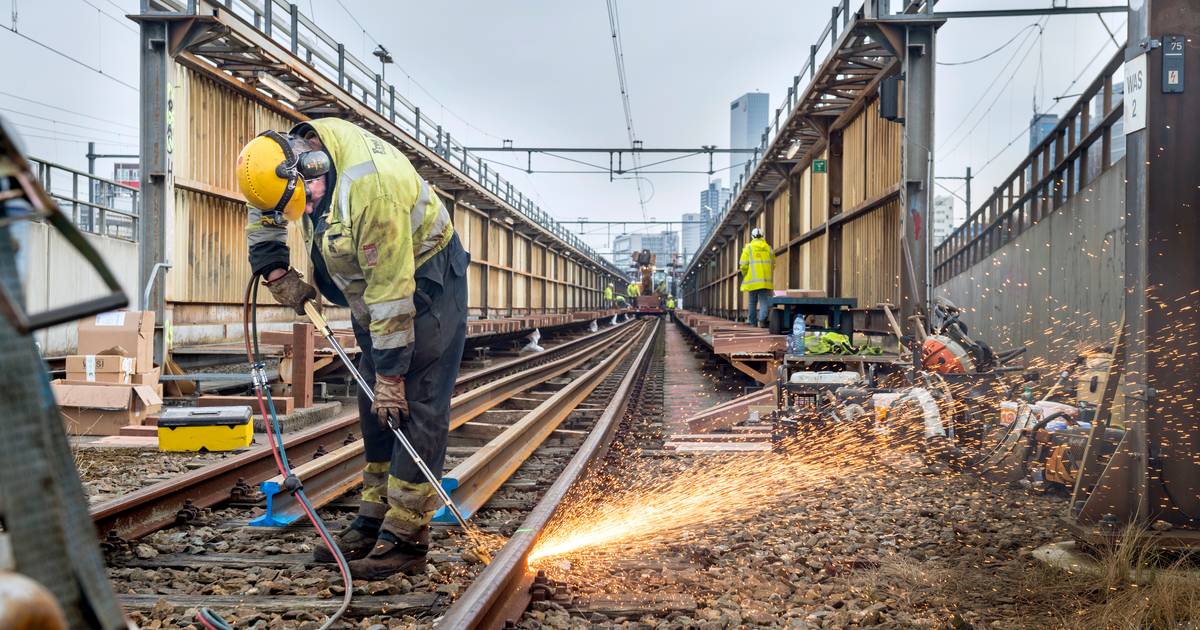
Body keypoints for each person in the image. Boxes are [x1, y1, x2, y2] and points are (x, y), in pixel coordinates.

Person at [237, 118, 470, 579]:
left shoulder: (373, 192)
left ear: (314, 165)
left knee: (412, 400)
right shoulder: (273, 167)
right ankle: (374, 517)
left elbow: (391, 296)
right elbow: (264, 213)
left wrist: (392, 375)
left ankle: (406, 536)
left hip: (425, 281)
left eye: (310, 200)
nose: (309, 209)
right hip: (371, 287)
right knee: (372, 401)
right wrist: (276, 271)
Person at [739, 227, 774, 327]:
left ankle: (753, 322)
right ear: (762, 236)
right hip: (764, 281)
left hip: (752, 281)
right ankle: (762, 320)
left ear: (752, 236)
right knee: (764, 301)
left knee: (752, 302)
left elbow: (743, 265)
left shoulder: (748, 248)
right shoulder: (768, 248)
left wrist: (745, 274)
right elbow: (773, 264)